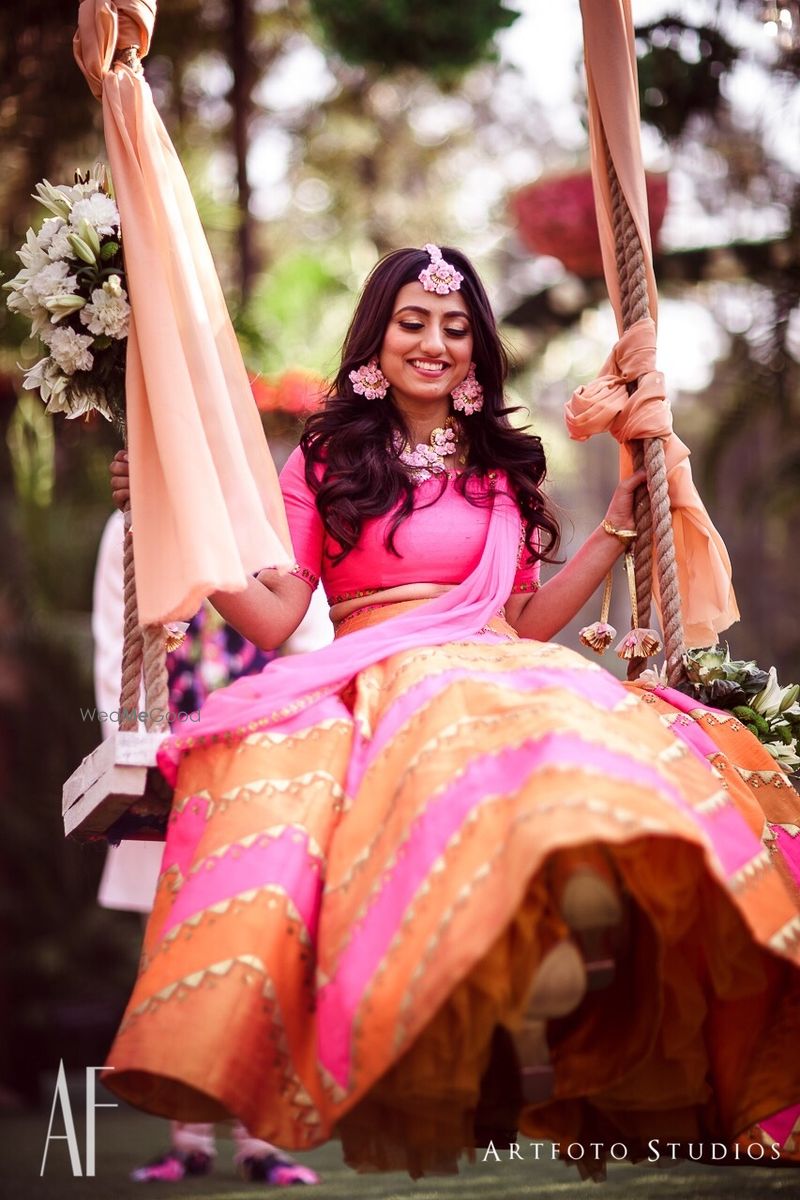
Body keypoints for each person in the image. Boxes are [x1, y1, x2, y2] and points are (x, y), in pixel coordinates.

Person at [103, 245, 800, 1178]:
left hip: (498, 664)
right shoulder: (325, 456)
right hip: (383, 669)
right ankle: (489, 981)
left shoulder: (503, 464)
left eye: (456, 328)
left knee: (649, 745)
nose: (434, 344)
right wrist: (177, 522)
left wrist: (616, 528)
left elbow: (526, 621)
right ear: (376, 340)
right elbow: (275, 619)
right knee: (351, 766)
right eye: (414, 323)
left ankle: (577, 945)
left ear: (476, 351)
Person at [91, 508, 326, 1184]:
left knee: (262, 946)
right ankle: (186, 1136)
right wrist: (136, 760)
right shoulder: (133, 523)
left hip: (262, 757)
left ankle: (260, 1138)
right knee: (170, 950)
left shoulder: (277, 521)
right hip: (169, 762)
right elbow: (117, 652)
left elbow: (309, 635)